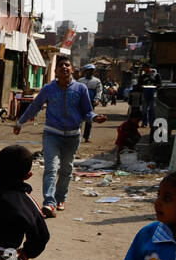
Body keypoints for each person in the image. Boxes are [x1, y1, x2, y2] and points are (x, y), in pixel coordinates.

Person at [13, 59, 106, 218]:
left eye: (67, 65)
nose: (64, 67)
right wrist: (20, 122)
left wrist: (95, 117)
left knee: (66, 168)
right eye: (61, 66)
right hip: (52, 134)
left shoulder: (80, 88)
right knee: (51, 168)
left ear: (72, 70)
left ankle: (60, 198)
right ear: (55, 71)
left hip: (73, 135)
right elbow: (35, 106)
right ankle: (49, 203)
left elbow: (87, 111)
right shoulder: (49, 89)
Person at [80, 64, 103, 142]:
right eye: (89, 70)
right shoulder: (80, 81)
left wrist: (97, 99)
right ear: (86, 71)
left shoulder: (97, 81)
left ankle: (87, 137)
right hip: (80, 103)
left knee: (89, 120)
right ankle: (76, 136)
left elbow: (99, 91)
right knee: (78, 119)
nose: (90, 72)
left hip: (90, 103)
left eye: (92, 70)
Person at [136, 63, 162, 128]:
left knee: (152, 109)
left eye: (144, 68)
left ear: (148, 68)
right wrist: (141, 86)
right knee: (144, 109)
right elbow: (139, 84)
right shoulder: (143, 76)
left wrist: (155, 86)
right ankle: (144, 123)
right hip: (145, 94)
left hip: (153, 94)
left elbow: (160, 84)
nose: (143, 69)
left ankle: (152, 123)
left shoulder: (156, 75)